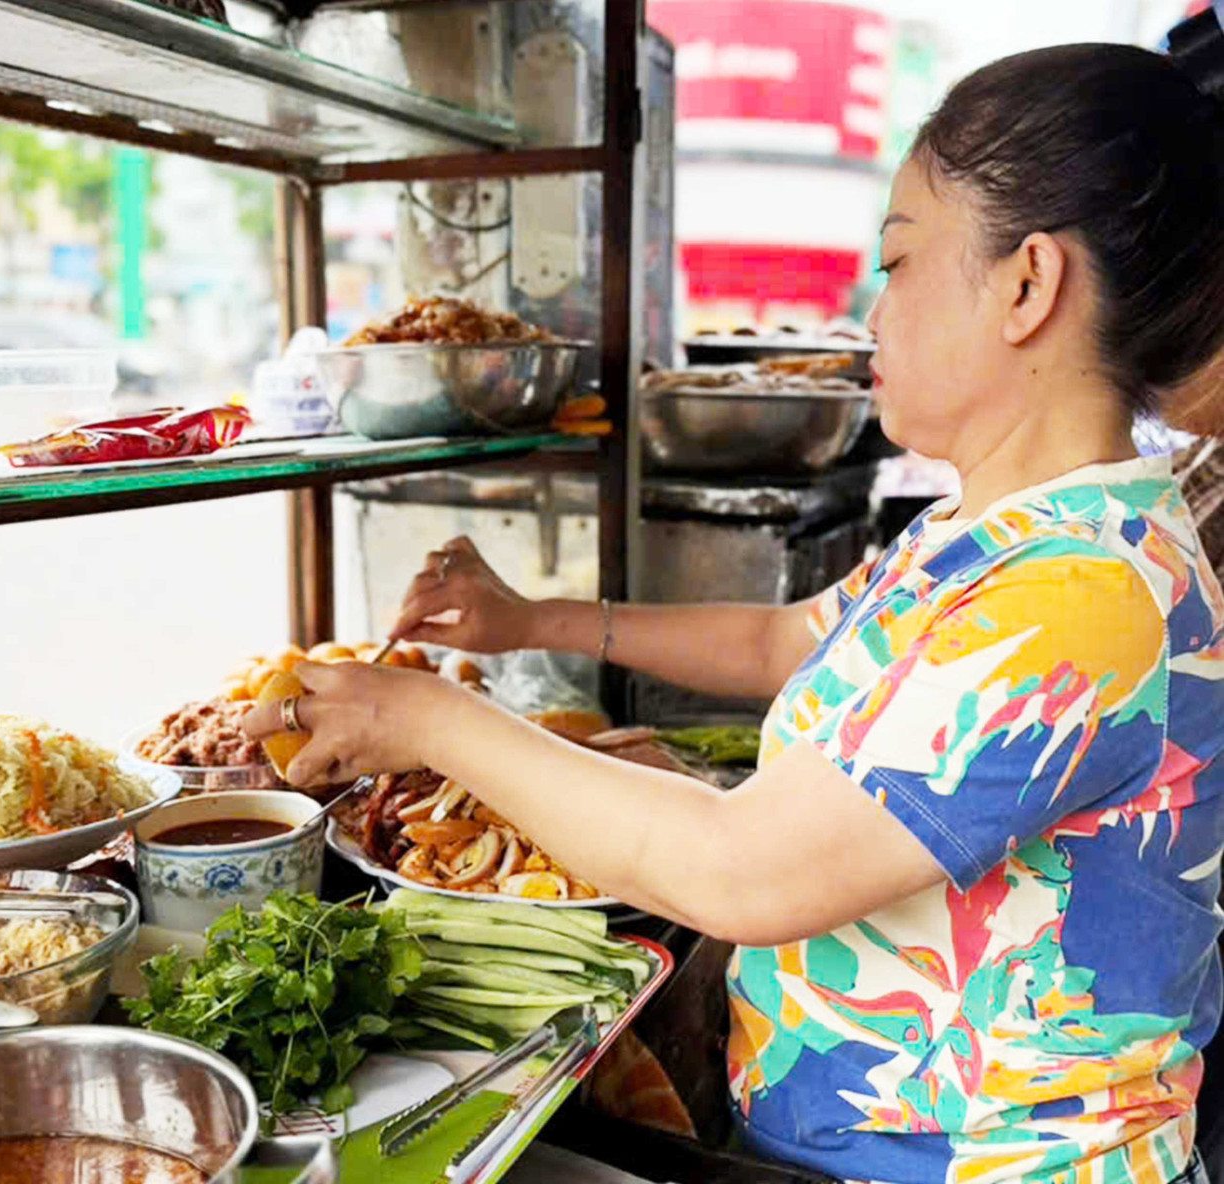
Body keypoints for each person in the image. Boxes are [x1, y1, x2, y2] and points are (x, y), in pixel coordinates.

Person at [246, 43, 1224, 1184]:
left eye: (899, 262)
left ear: (1027, 284)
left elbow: (739, 870)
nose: (873, 309)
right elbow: (784, 640)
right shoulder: (997, 535)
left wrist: (428, 721)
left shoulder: (1084, 596)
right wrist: (530, 619)